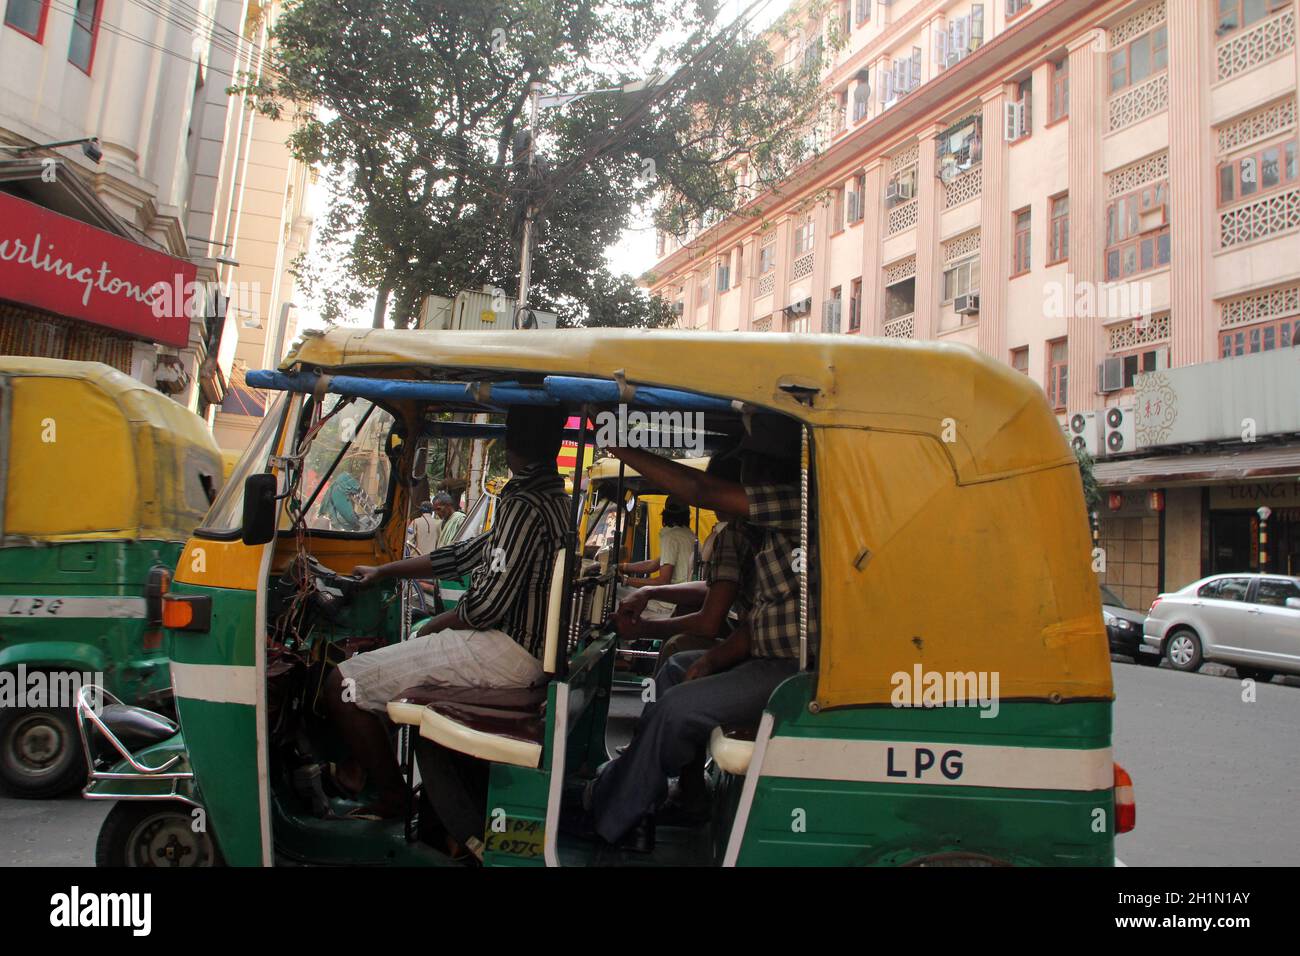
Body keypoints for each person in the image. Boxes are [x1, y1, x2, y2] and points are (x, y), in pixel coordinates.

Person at [322, 405, 570, 822]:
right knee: (402, 657)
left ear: (510, 444)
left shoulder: (525, 504)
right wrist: (386, 570)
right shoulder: (549, 499)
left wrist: (437, 623)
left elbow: (488, 604)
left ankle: (391, 797)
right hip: (522, 649)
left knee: (342, 684)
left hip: (507, 651)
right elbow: (464, 554)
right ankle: (364, 771)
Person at [587, 414, 816, 847]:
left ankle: (609, 817)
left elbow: (702, 490)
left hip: (789, 671)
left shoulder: (798, 505)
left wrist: (614, 442)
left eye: (750, 461)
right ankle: (642, 778)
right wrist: (712, 658)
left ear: (769, 468)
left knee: (676, 708)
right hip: (764, 657)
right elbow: (756, 619)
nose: (744, 470)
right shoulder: (769, 530)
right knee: (677, 669)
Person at [619, 498, 696, 587]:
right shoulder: (690, 535)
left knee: (624, 594)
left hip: (678, 595)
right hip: (689, 592)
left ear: (664, 515)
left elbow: (663, 581)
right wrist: (622, 567)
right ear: (687, 516)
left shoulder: (670, 537)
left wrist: (626, 580)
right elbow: (652, 565)